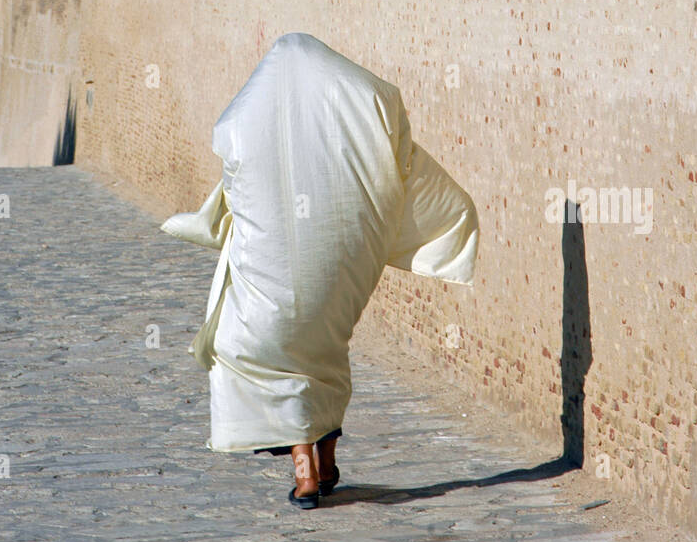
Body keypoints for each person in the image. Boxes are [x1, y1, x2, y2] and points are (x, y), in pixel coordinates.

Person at [161, 32, 479, 508]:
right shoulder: (365, 102)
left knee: (270, 358)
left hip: (266, 273)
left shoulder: (245, 119)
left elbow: (236, 179)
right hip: (339, 266)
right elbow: (399, 157)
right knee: (325, 355)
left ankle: (306, 472)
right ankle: (326, 464)